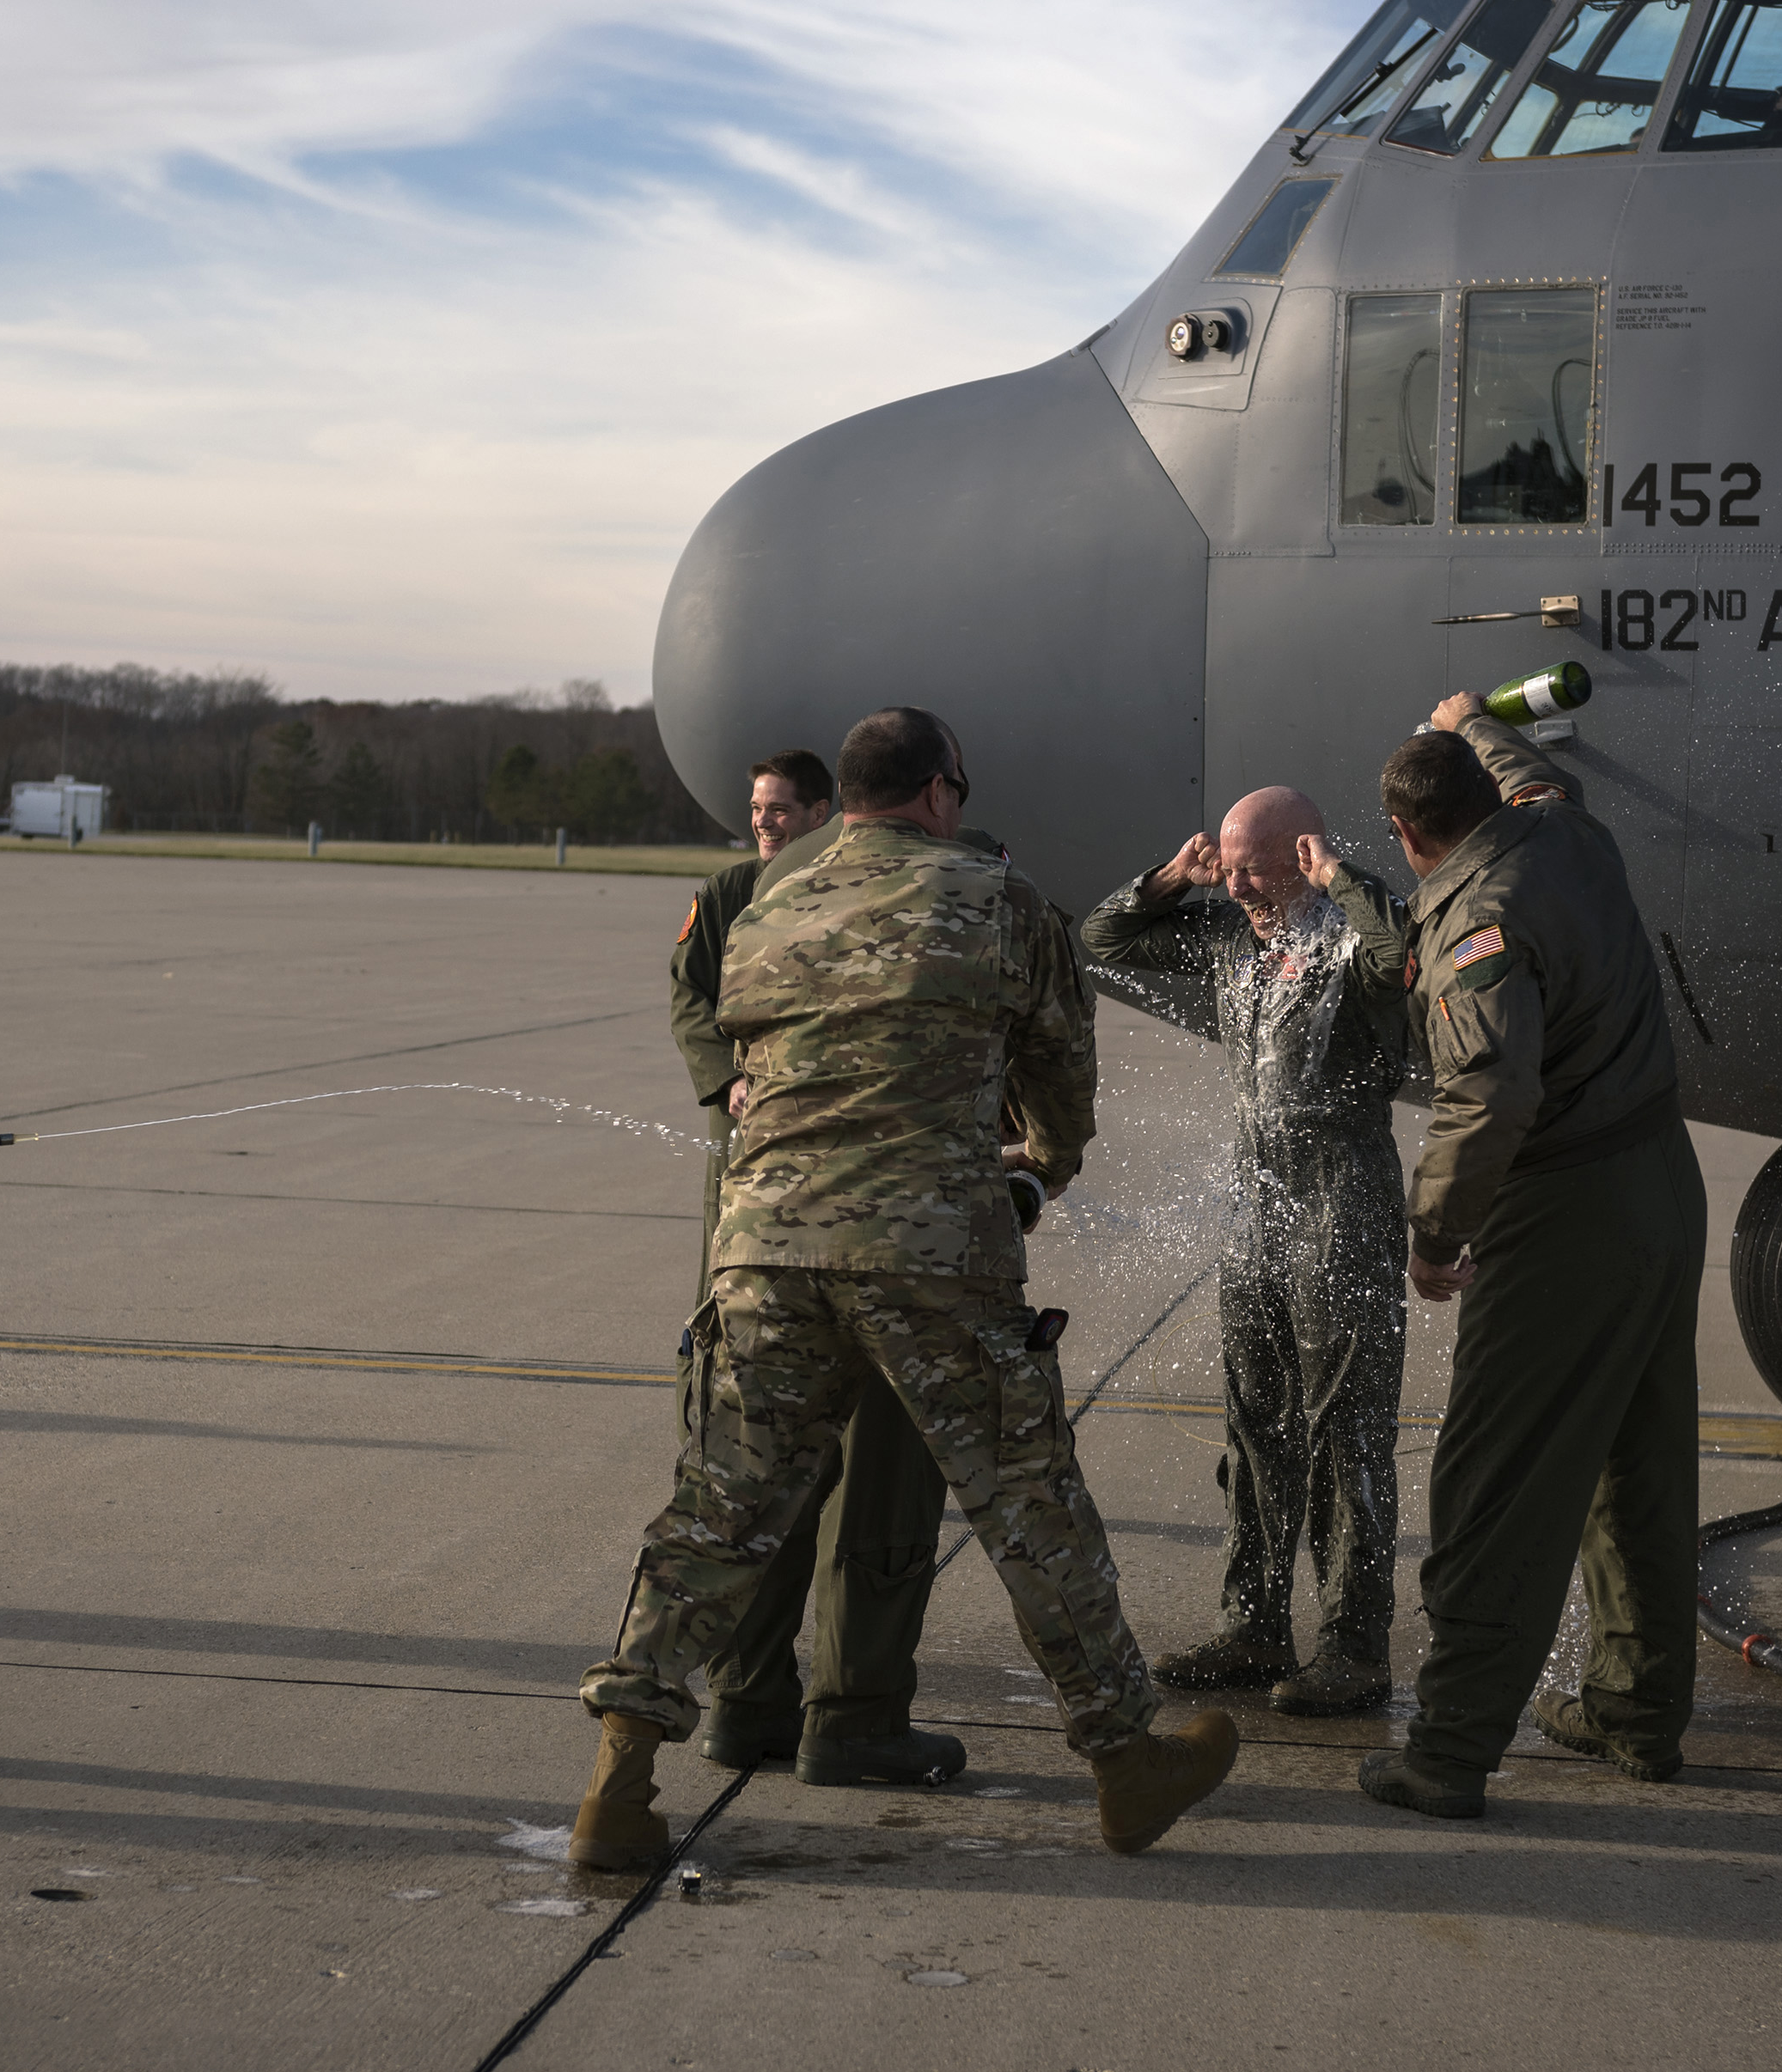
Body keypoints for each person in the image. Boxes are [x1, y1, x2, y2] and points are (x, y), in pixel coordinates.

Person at [572, 706, 1237, 1865]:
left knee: (717, 1515)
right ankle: (1127, 1761)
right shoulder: (1001, 901)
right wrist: (1043, 1166)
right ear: (939, 792)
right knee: (1030, 1506)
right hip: (929, 1249)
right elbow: (1061, 1080)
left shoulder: (775, 898)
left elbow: (746, 1051)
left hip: (766, 1244)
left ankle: (616, 1787)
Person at [1358, 698, 1704, 1822]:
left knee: (1499, 1480)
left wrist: (1434, 1235)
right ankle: (1637, 1710)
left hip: (1569, 1215)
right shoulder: (1560, 834)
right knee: (1636, 1465)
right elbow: (1545, 785)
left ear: (1410, 839)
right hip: (1662, 1179)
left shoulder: (1475, 928)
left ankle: (1449, 1750)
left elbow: (1492, 1095)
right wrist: (1477, 724)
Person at [666, 748, 961, 1785]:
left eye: (780, 809)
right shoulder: (752, 893)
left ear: (833, 809)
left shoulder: (803, 896)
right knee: (870, 1462)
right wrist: (726, 1084)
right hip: (872, 1226)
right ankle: (826, 1709)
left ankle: (750, 1702)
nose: (763, 824)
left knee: (754, 1459)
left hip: (767, 1222)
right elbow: (690, 1000)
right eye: (756, 810)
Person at [1083, 787, 1412, 1715]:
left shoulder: (1352, 936)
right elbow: (1105, 941)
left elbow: (1404, 955)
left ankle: (1354, 1644)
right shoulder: (1228, 935)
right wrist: (1167, 879)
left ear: (1303, 854)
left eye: (1255, 867)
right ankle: (1255, 1621)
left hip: (1342, 1199)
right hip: (1256, 1204)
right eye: (1226, 866)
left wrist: (1343, 881)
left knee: (1347, 1429)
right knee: (1255, 1421)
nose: (1238, 884)